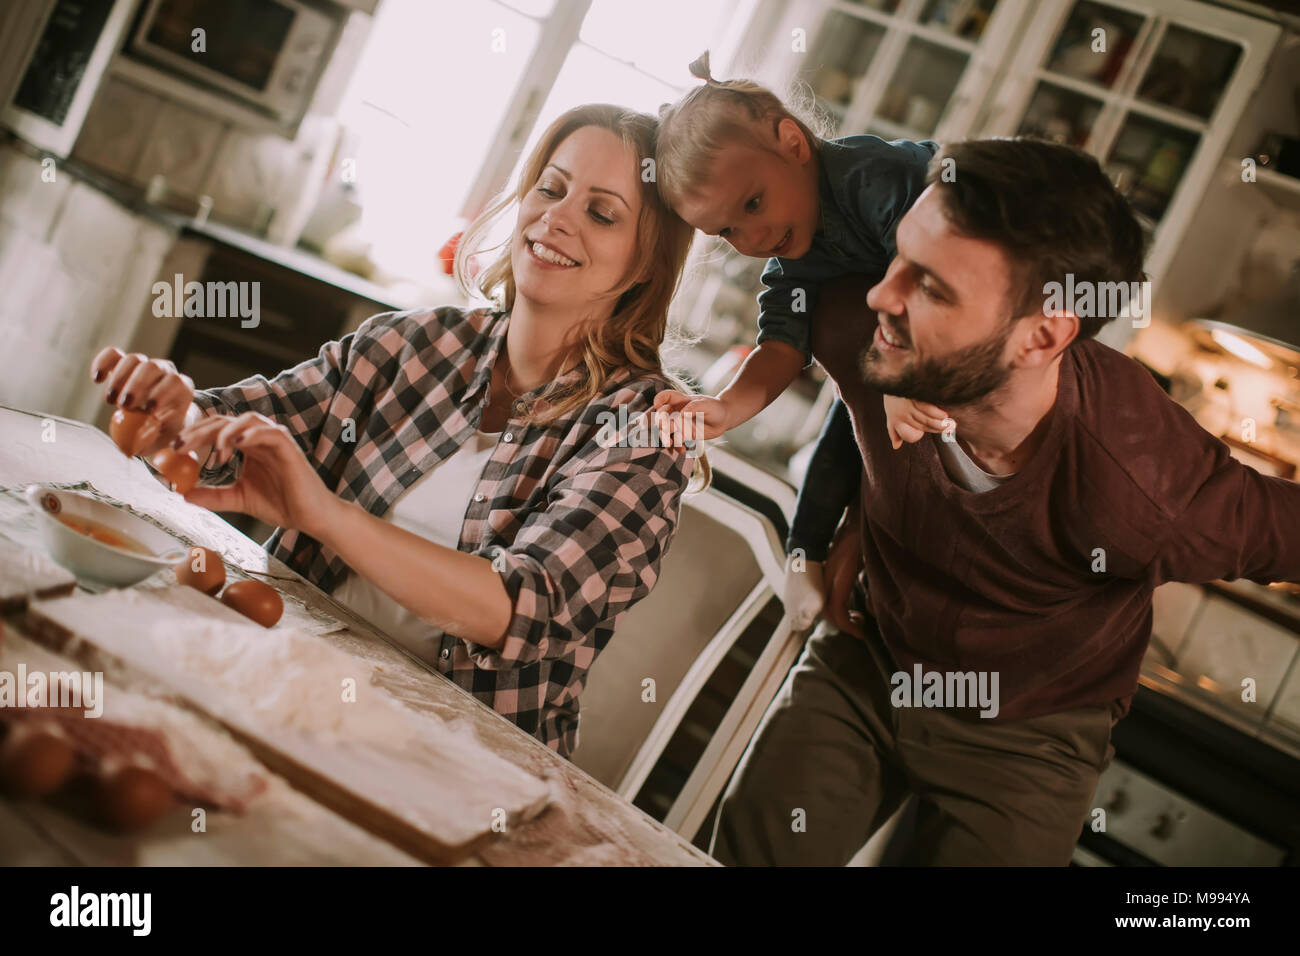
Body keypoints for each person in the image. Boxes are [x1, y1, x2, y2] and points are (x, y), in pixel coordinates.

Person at [711, 137, 1300, 865]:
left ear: (1042, 335)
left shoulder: (1144, 477)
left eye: (931, 287)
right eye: (897, 257)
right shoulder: (871, 327)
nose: (879, 295)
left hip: (1029, 734)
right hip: (871, 661)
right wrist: (847, 523)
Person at [87, 104, 709, 758]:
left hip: (450, 760)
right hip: (278, 680)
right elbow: (255, 424)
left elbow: (522, 608)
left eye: (601, 213)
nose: (557, 217)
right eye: (550, 189)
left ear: (647, 264)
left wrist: (328, 516)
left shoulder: (646, 431)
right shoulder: (419, 342)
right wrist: (175, 415)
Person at [646, 52, 950, 454]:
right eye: (727, 231)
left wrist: (897, 376)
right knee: (829, 464)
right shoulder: (794, 256)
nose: (754, 238)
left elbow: (920, 269)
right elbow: (780, 346)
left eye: (753, 203)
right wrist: (725, 407)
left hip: (1021, 234)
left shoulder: (874, 176)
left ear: (793, 144)